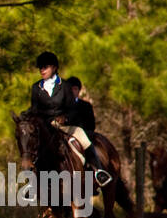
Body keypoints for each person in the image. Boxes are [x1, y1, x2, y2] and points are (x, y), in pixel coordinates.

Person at [28, 52, 110, 186]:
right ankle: (31, 183)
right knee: (30, 143)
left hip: (63, 126)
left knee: (83, 137)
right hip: (44, 126)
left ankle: (98, 171)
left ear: (54, 68)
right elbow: (34, 108)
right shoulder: (36, 88)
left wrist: (65, 117)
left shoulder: (65, 86)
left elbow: (72, 109)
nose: (42, 70)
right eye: (40, 68)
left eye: (45, 67)